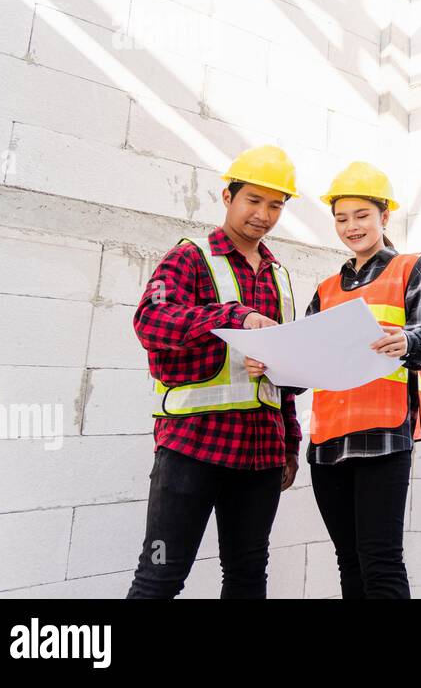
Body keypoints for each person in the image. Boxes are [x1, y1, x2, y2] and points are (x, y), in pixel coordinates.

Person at [125, 144, 302, 599]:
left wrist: (290, 444)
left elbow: (281, 378)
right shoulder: (190, 257)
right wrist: (231, 316)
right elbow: (150, 321)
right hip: (192, 447)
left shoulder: (279, 276)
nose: (263, 214)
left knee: (247, 577)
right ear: (228, 197)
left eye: (276, 205)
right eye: (253, 200)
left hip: (261, 453)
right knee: (160, 575)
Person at [305, 160, 421, 599]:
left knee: (380, 560)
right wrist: (269, 365)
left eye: (362, 215)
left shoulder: (410, 268)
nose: (351, 226)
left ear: (384, 217)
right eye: (341, 218)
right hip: (328, 442)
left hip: (383, 437)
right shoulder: (326, 289)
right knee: (350, 563)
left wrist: (406, 340)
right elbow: (304, 358)